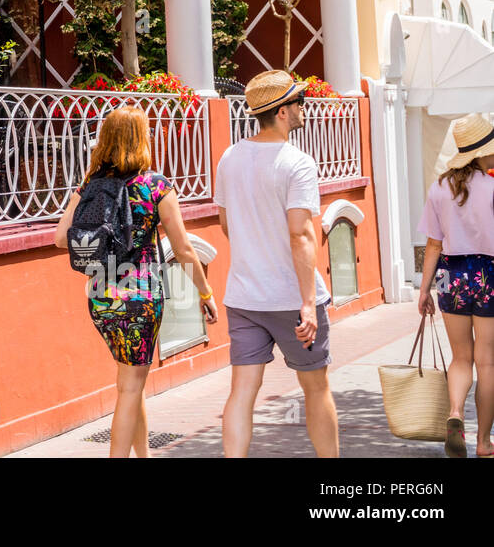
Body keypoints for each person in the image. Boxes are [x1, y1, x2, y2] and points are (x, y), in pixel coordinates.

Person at [55, 105, 217, 458]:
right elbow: (185, 250)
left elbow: (59, 237)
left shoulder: (91, 183)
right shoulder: (155, 186)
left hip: (100, 296)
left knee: (132, 381)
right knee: (130, 386)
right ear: (141, 138)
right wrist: (205, 292)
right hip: (140, 299)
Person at [215, 69, 338, 458]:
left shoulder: (230, 157)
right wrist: (306, 303)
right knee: (316, 388)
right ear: (283, 111)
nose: (304, 107)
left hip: (245, 297)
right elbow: (300, 234)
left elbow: (224, 223)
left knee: (241, 393)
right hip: (291, 299)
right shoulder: (297, 162)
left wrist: (255, 250)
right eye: (299, 101)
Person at [417, 113, 494, 459]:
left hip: (451, 274)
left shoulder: (439, 187)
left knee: (460, 357)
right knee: (487, 362)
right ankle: (483, 443)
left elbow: (433, 244)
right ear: (481, 153)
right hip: (489, 274)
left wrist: (423, 291)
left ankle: (455, 414)